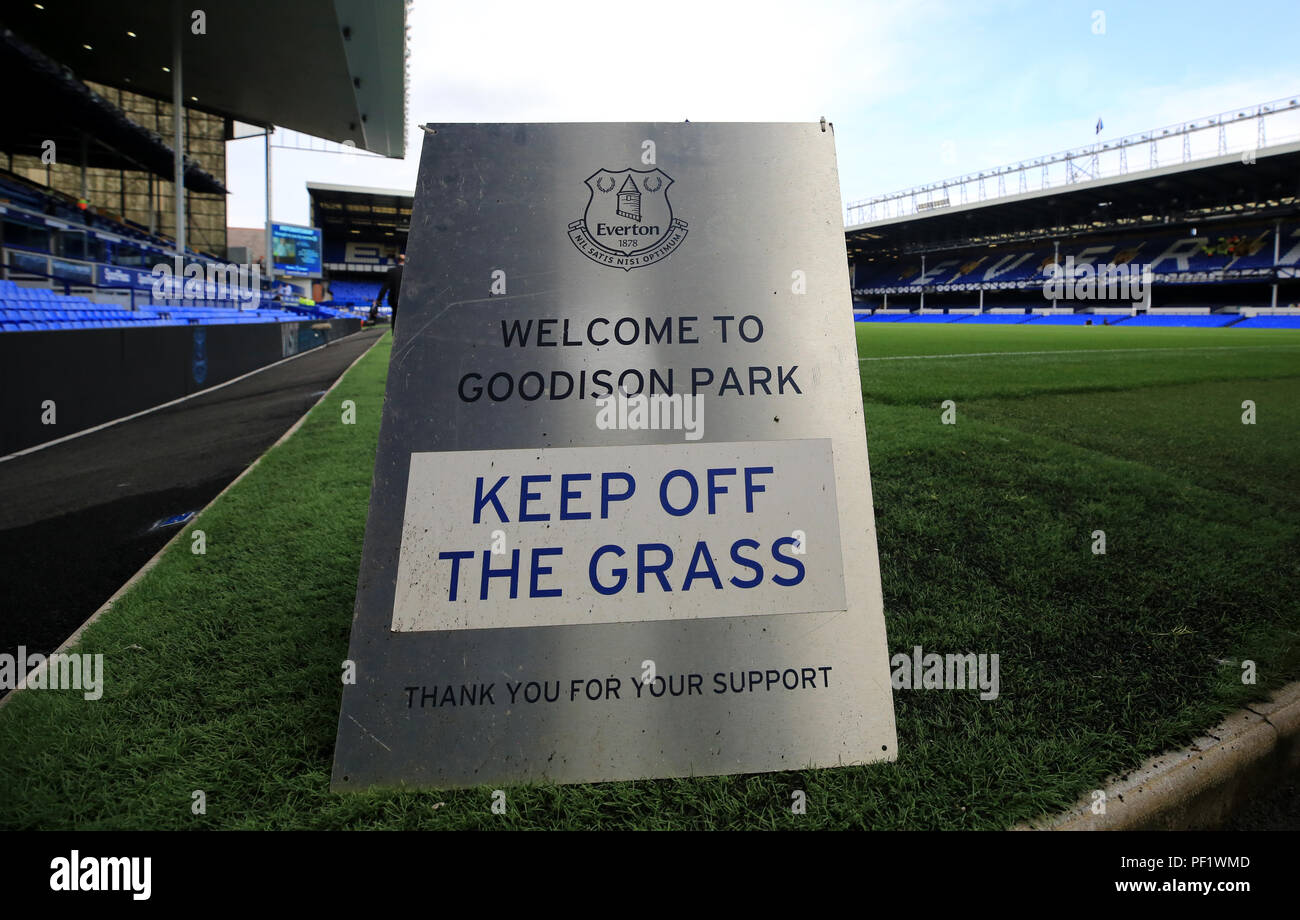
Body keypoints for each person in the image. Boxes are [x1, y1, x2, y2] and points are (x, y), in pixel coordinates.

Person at [374, 253, 405, 329]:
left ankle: (394, 334)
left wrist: (379, 300)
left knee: (395, 318)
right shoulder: (409, 272)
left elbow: (385, 287)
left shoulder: (391, 271)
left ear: (398, 261)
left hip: (394, 300)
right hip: (406, 300)